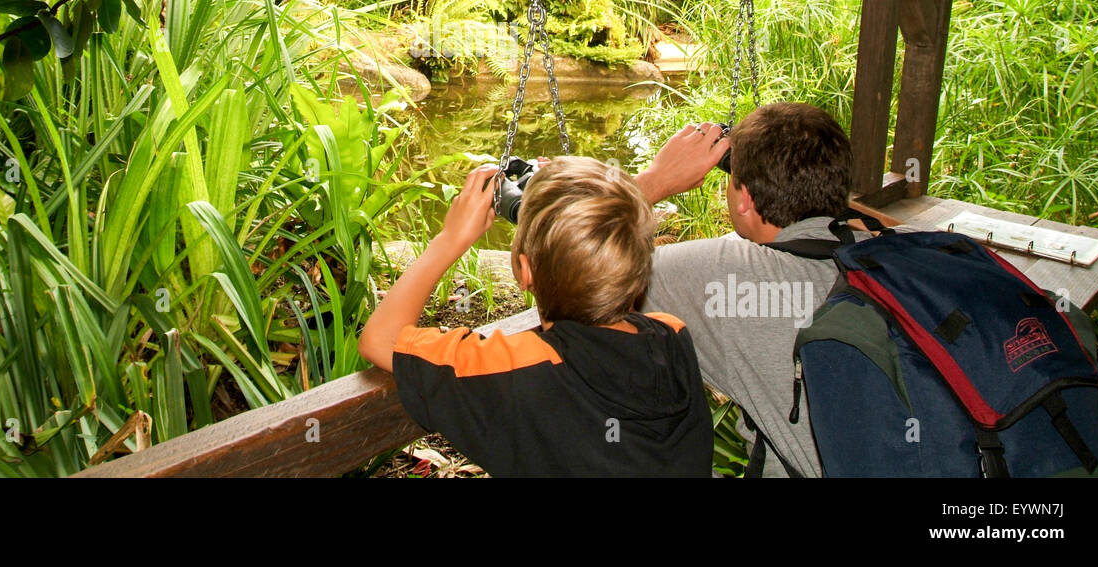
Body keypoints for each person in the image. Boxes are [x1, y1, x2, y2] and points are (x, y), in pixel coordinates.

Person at [359, 156, 714, 476]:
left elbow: (380, 339)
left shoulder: (518, 370)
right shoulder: (672, 337)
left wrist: (451, 238)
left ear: (525, 272)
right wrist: (572, 190)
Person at [634, 102, 856, 477]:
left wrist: (654, 181)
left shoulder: (726, 274)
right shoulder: (896, 257)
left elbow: (571, 258)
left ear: (744, 200)